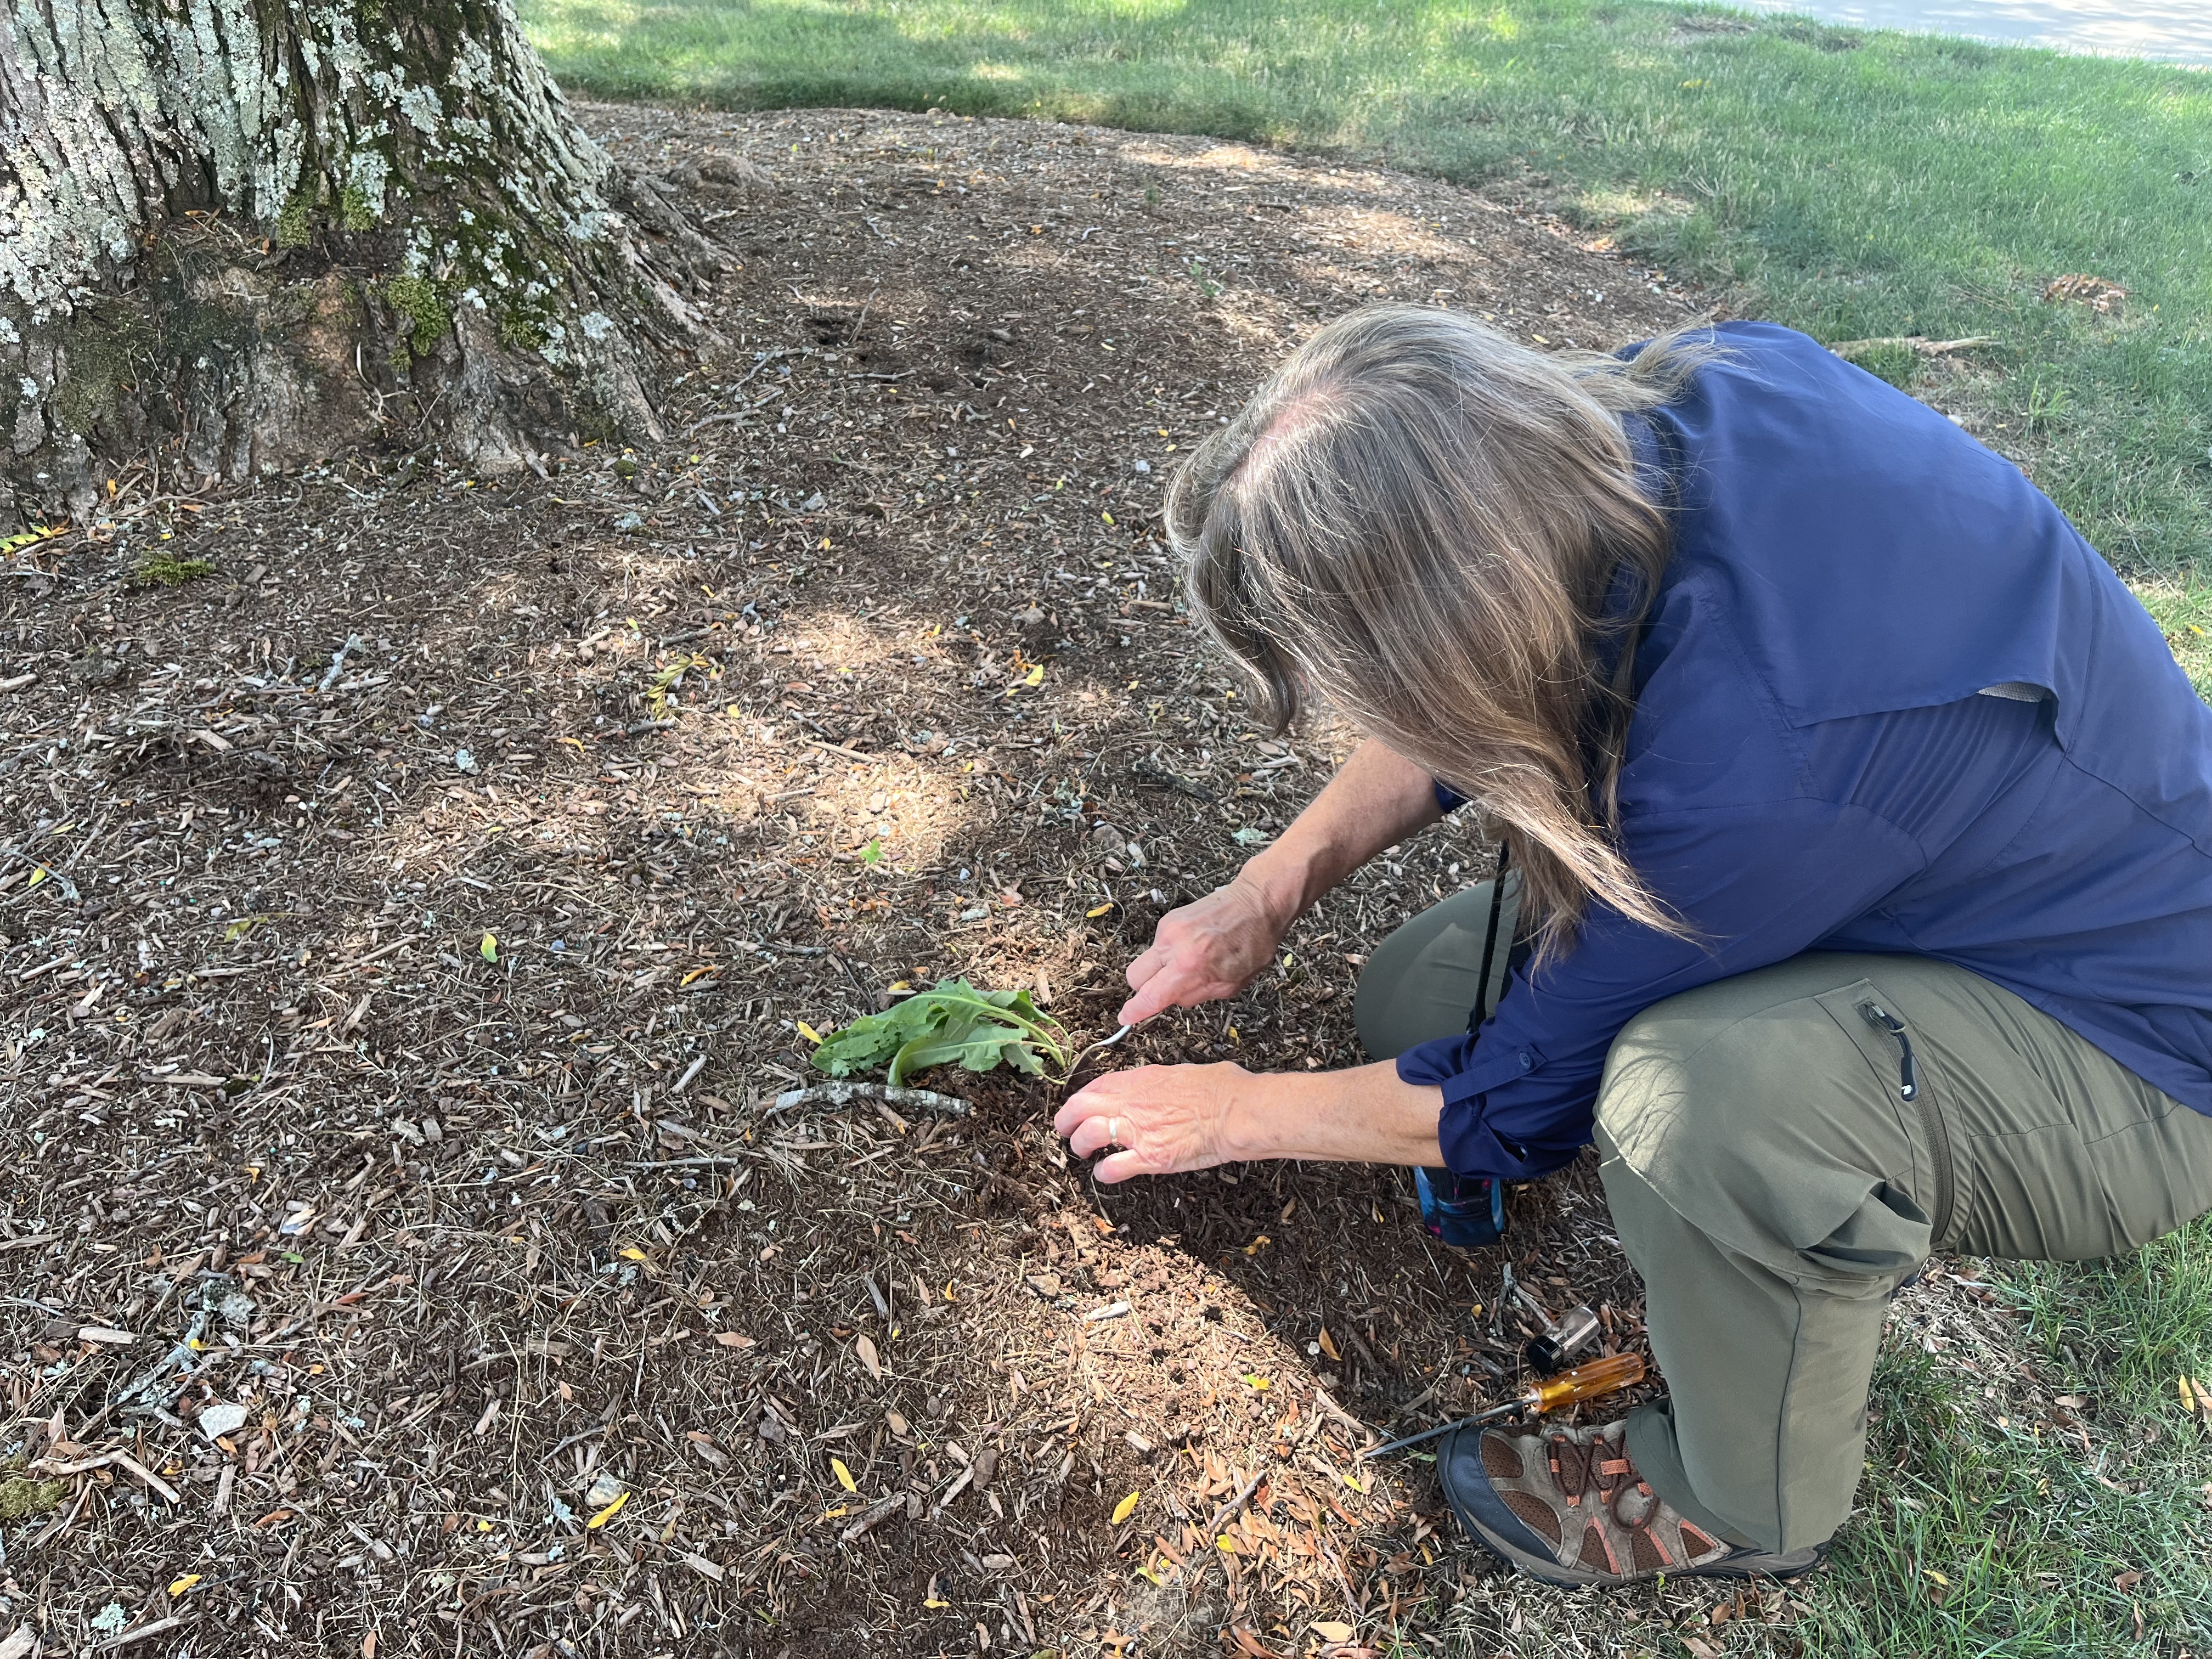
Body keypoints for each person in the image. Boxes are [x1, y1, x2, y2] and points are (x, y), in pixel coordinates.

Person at [1051, 306, 2212, 1586]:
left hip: (2127, 1039)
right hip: (1904, 861)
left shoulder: (1748, 768)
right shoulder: (1639, 417)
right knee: (1421, 996)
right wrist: (1270, 887)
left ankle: (1746, 1498)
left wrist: (1225, 1115)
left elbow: (1510, 1100)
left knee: (1694, 1101)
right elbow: (1489, 674)